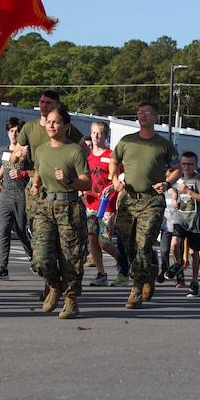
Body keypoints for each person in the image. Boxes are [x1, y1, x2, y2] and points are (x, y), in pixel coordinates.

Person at [109, 102, 180, 309]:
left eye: (146, 113)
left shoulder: (163, 144)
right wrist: (114, 180)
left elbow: (176, 168)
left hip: (151, 201)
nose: (142, 116)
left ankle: (136, 289)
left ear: (156, 118)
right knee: (128, 244)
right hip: (128, 199)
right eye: (139, 112)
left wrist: (167, 183)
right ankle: (147, 272)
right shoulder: (127, 141)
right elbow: (113, 161)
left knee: (143, 244)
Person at [30, 108, 91, 319]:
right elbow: (38, 169)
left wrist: (68, 180)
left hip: (69, 207)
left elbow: (87, 182)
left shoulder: (74, 151)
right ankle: (54, 285)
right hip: (46, 206)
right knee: (40, 257)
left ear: (66, 126)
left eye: (56, 122)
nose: (51, 125)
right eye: (48, 122)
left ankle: (71, 300)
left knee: (71, 258)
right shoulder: (41, 150)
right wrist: (36, 183)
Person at [0, 117, 34, 281]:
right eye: (11, 131)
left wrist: (22, 173)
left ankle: (33, 258)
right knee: (4, 231)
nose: (14, 134)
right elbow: (5, 163)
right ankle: (3, 267)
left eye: (17, 131)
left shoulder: (27, 152)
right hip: (5, 195)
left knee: (21, 231)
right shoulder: (4, 150)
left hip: (21, 195)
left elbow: (35, 170)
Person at [83, 121, 120, 287]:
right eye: (93, 133)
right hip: (90, 203)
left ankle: (124, 261)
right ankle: (101, 273)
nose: (96, 136)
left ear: (106, 136)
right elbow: (82, 177)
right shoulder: (87, 157)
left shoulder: (111, 155)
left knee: (104, 241)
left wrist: (112, 186)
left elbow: (120, 177)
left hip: (107, 205)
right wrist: (80, 188)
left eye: (100, 133)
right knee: (92, 238)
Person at [167, 152, 200, 297]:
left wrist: (188, 191)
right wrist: (174, 196)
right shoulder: (177, 178)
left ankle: (194, 281)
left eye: (190, 164)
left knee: (193, 252)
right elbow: (169, 186)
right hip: (180, 219)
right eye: (184, 164)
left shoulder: (199, 179)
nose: (187, 167)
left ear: (196, 165)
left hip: (195, 222)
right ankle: (178, 264)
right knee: (174, 244)